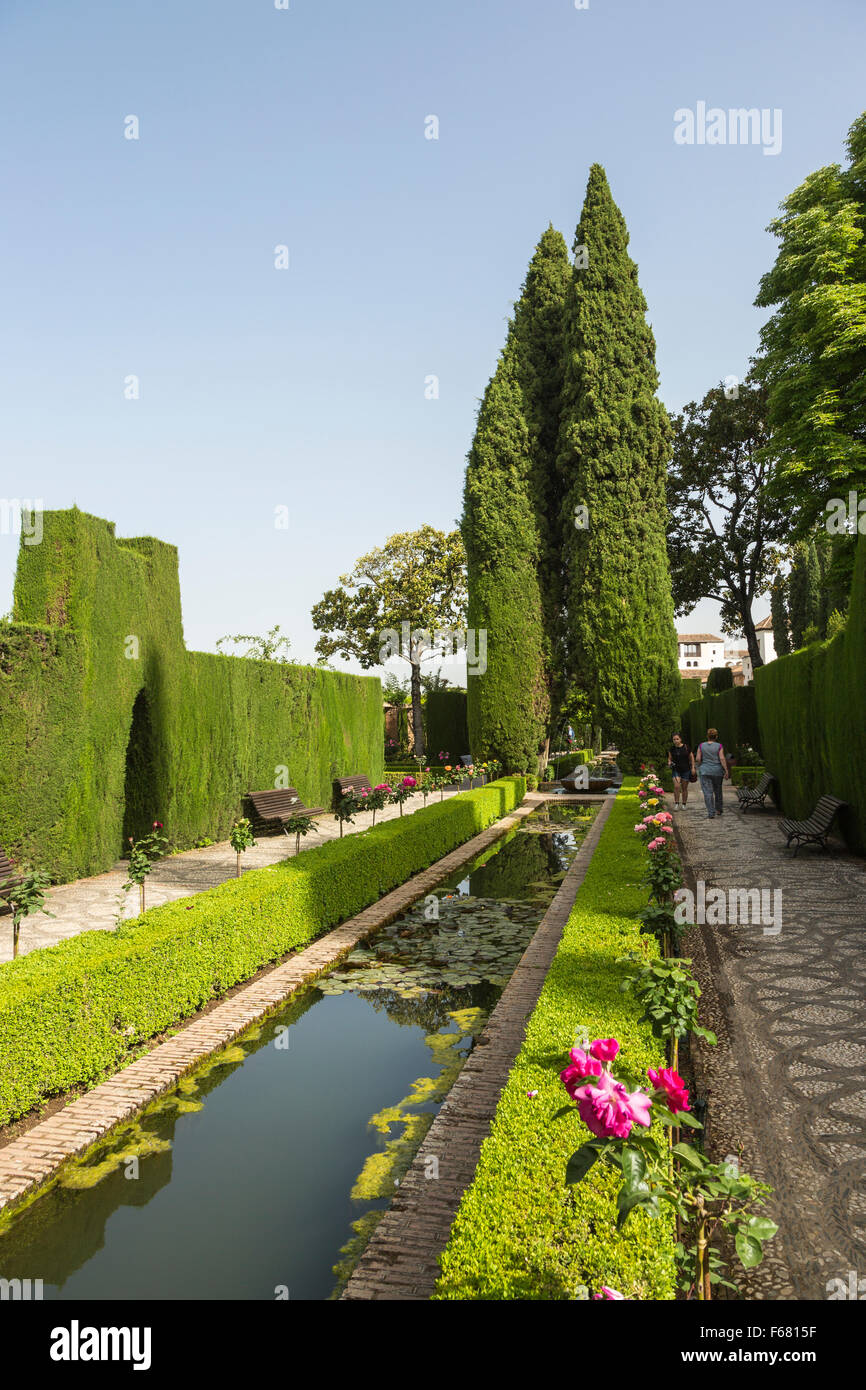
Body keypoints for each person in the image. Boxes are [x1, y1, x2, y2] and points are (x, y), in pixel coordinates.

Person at [695, 727, 730, 819]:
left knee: (707, 792)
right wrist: (726, 770)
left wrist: (700, 765)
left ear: (707, 736)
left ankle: (711, 812)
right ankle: (718, 809)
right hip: (717, 771)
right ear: (716, 736)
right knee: (718, 791)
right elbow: (722, 758)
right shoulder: (719, 746)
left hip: (705, 771)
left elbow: (698, 759)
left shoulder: (701, 745)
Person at [667, 732, 696, 810]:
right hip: (676, 770)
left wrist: (693, 767)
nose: (676, 741)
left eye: (677, 739)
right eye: (674, 739)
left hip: (686, 770)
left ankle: (684, 804)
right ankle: (676, 803)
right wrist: (669, 762)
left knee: (684, 788)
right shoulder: (672, 749)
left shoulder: (686, 747)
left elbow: (691, 758)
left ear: (680, 739)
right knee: (676, 786)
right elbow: (670, 758)